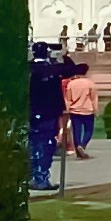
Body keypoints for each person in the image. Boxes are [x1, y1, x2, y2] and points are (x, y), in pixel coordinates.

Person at [28, 43, 69, 189]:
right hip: (48, 113)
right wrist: (64, 56)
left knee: (32, 144)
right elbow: (75, 70)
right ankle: (41, 178)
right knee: (46, 145)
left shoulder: (27, 68)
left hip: (30, 112)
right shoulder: (52, 70)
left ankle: (33, 176)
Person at [63, 62, 98, 159]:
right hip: (87, 109)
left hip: (75, 110)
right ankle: (82, 145)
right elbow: (93, 98)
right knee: (89, 130)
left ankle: (78, 148)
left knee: (76, 131)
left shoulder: (71, 83)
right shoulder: (90, 83)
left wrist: (67, 108)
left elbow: (68, 98)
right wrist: (96, 110)